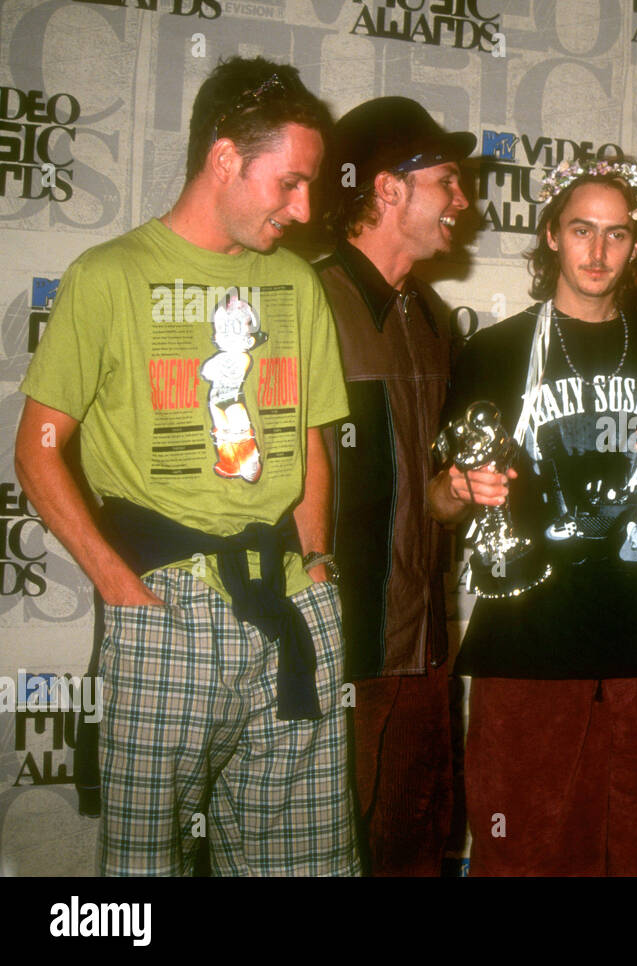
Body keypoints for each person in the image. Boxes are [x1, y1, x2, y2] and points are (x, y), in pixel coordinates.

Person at [14, 57, 357, 876]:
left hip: (288, 601)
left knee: (303, 865)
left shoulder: (298, 286)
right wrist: (120, 587)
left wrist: (317, 568)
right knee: (145, 871)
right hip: (166, 604)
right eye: (290, 183)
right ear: (225, 158)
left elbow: (307, 441)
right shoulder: (109, 276)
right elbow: (38, 449)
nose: (304, 209)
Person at [428, 157, 637, 875]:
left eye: (616, 235)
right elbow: (437, 499)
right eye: (582, 230)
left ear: (636, 247)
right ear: (552, 234)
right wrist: (461, 487)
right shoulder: (493, 351)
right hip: (527, 651)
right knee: (521, 858)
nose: (598, 251)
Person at [315, 97, 473, 875]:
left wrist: (461, 492)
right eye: (447, 179)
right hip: (328, 659)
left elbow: (430, 494)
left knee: (413, 853)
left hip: (423, 655)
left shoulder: (435, 319)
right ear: (387, 190)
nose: (463, 200)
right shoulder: (301, 299)